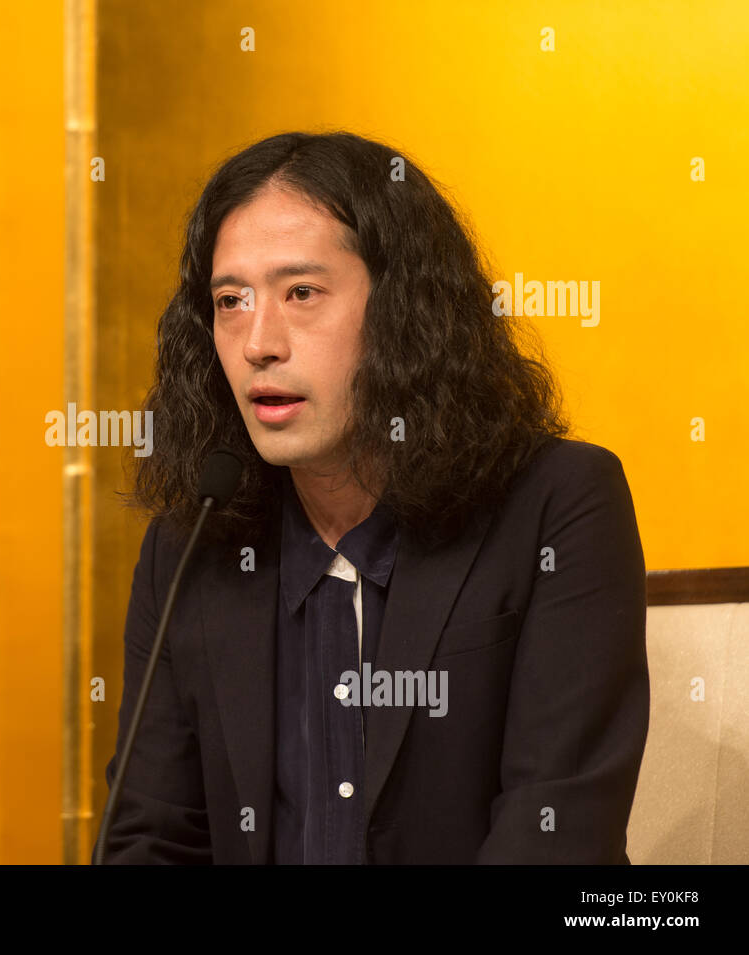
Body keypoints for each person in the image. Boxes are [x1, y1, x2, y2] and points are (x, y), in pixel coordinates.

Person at [93, 131, 649, 864]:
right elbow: (151, 838)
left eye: (301, 293)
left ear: (402, 309)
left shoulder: (559, 505)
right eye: (231, 301)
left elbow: (558, 831)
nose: (260, 341)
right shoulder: (190, 545)